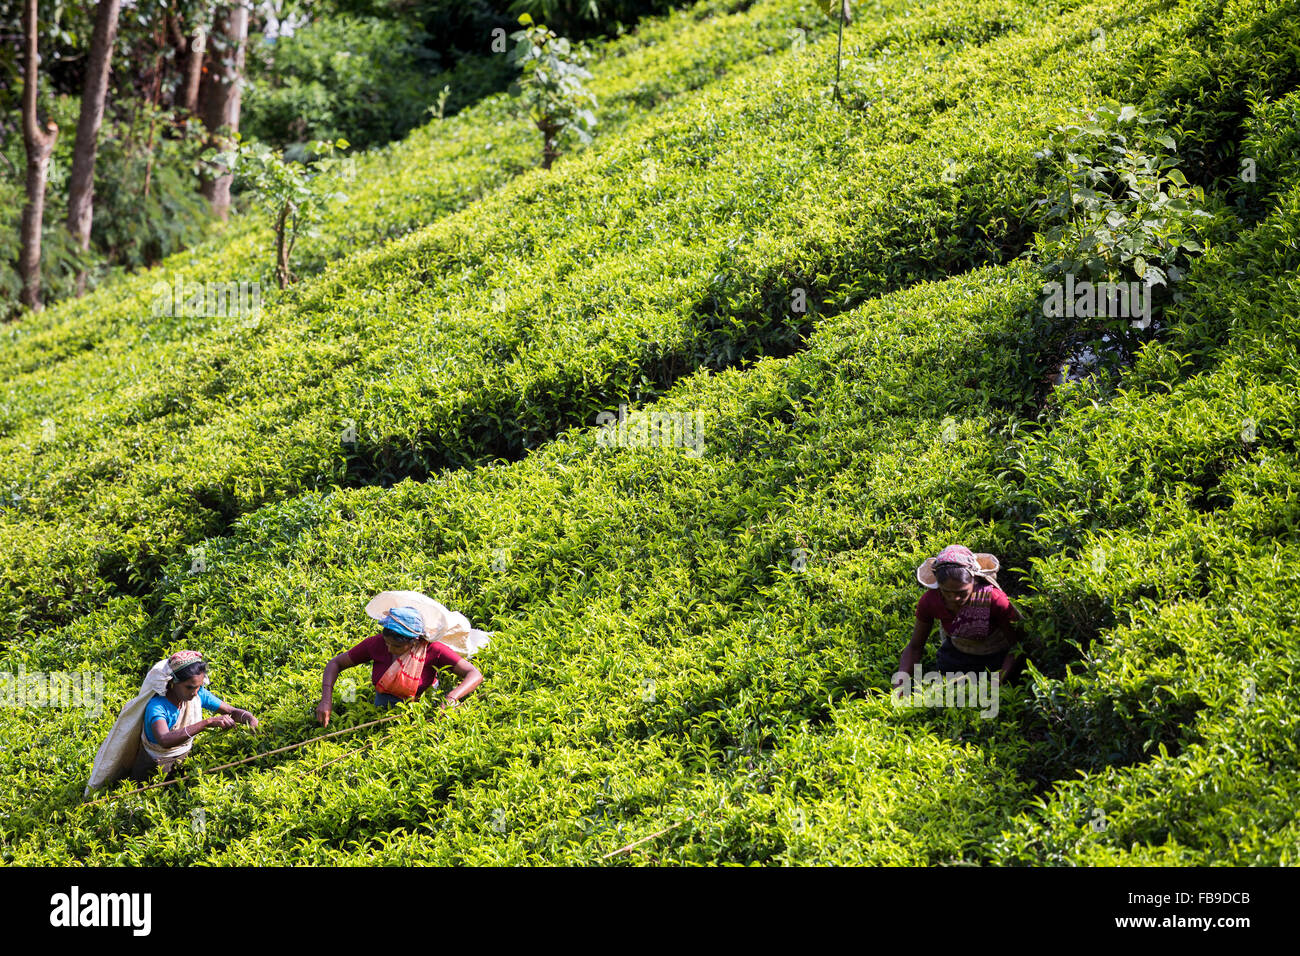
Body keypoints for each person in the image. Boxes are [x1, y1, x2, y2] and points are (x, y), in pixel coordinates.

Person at [315, 598, 485, 727]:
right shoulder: (376, 644)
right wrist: (326, 700)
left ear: (414, 642)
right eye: (387, 642)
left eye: (396, 646)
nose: (389, 649)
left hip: (422, 704)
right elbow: (335, 664)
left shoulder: (433, 650)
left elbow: (474, 674)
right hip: (383, 704)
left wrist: (451, 697)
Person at [893, 545, 1023, 689]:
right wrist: (900, 684)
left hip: (996, 657)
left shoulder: (993, 599)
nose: (954, 599)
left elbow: (1016, 647)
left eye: (961, 593)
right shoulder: (931, 601)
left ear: (974, 582)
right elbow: (915, 646)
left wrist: (998, 681)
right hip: (957, 656)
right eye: (947, 592)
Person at [131, 650, 259, 781]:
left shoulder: (198, 694)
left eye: (198, 687)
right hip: (153, 767)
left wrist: (249, 718)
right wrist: (207, 723)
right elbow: (164, 740)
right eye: (189, 687)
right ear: (172, 683)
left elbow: (231, 712)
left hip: (183, 759)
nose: (194, 692)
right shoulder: (157, 706)